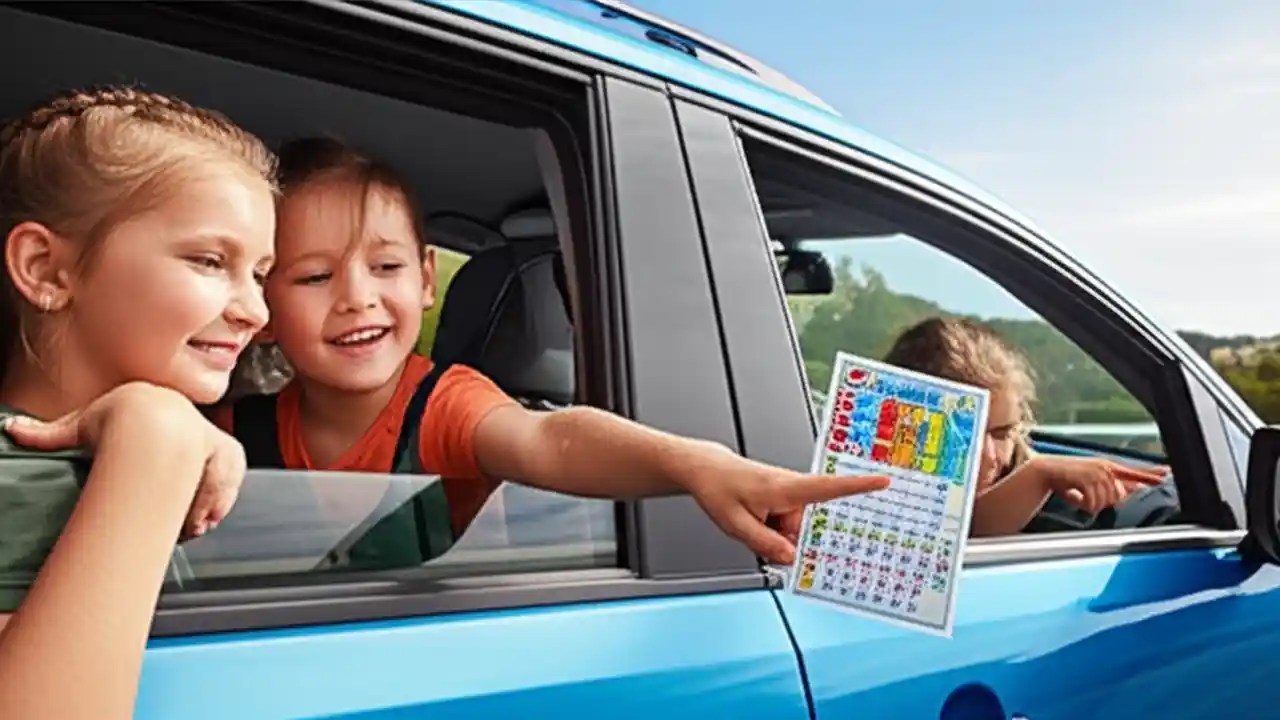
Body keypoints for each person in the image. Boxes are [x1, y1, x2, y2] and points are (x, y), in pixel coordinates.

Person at [217, 136, 890, 567]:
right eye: (315, 277)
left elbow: (551, 440)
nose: (357, 298)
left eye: (385, 267)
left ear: (425, 280)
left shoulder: (444, 406)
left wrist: (695, 465)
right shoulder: (228, 429)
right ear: (260, 302)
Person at [0, 86, 277, 719]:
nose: (257, 311)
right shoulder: (19, 478)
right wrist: (156, 435)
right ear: (45, 269)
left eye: (259, 274)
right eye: (210, 261)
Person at [883, 317, 1167, 537]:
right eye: (963, 433)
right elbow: (945, 539)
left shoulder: (1059, 503)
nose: (989, 456)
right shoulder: (869, 493)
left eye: (1002, 433)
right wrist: (1038, 477)